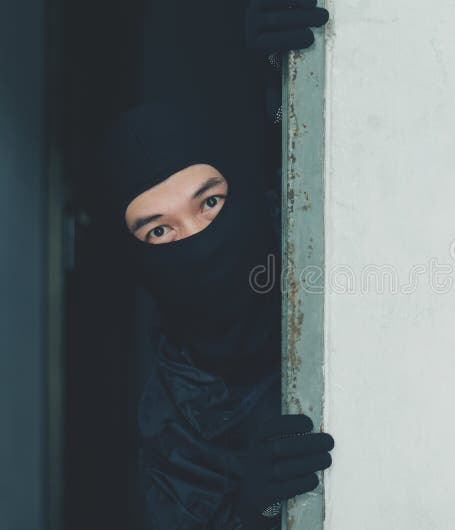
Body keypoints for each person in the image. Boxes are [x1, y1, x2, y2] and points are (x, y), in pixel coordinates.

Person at [98, 2, 332, 529]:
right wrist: (255, 513)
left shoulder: (316, 240)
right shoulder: (173, 430)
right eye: (160, 231)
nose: (201, 243)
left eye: (209, 203)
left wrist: (289, 79)